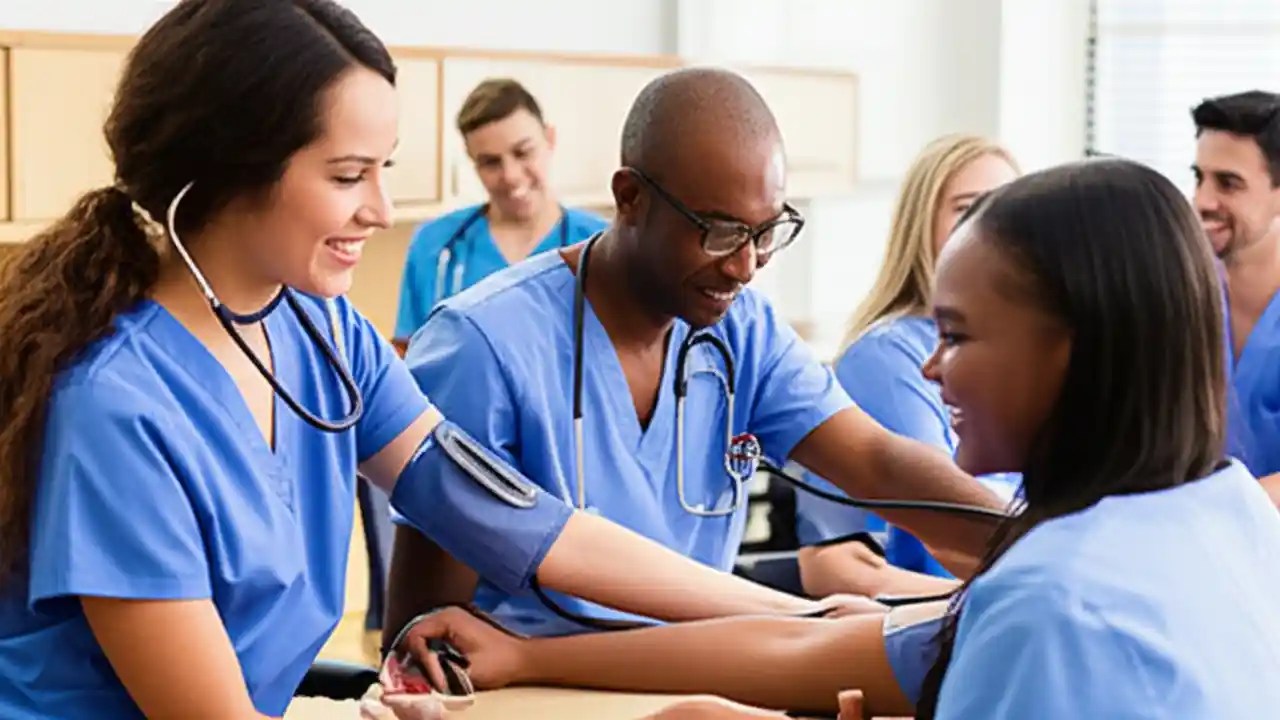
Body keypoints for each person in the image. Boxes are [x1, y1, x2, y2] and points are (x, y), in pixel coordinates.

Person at [0, 3, 999, 718]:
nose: (381, 210)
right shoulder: (119, 405)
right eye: (347, 175)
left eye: (383, 171)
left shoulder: (325, 338)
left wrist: (796, 616)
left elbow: (528, 525)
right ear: (226, 170)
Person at [394, 158, 1280, 719]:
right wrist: (530, 654)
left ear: (1072, 350)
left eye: (958, 335)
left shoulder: (1051, 602)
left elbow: (870, 482)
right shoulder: (1233, 509)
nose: (930, 367)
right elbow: (813, 648)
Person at [385, 67, 1007, 641]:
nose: (745, 266)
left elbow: (876, 462)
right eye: (720, 232)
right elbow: (423, 636)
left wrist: (1033, 541)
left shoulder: (744, 330)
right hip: (532, 690)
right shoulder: (482, 346)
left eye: (766, 233)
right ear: (630, 198)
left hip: (699, 672)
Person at [794, 134, 1022, 601]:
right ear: (923, 227)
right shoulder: (886, 358)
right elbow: (837, 564)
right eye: (967, 209)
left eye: (1008, 210)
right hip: (945, 607)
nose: (994, 230)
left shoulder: (1030, 352)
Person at [392, 78, 608, 351]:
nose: (511, 176)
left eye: (523, 152)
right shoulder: (434, 245)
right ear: (472, 161)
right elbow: (406, 353)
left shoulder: (602, 245)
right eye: (490, 162)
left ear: (550, 138)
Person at [1191, 90, 1280, 499]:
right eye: (1199, 178)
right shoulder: (1180, 296)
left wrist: (1217, 514)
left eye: (1228, 184)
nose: (1202, 201)